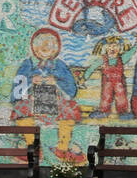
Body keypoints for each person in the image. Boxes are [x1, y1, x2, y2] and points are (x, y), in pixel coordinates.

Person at [10, 27, 84, 163]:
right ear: (34, 48)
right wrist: (30, 81)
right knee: (22, 112)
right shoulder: (28, 64)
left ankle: (62, 148)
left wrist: (56, 82)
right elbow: (17, 86)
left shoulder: (60, 65)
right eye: (41, 44)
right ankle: (33, 147)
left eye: (49, 45)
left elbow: (71, 87)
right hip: (33, 100)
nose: (45, 47)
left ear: (55, 49)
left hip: (56, 100)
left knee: (69, 113)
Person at [84, 34, 133, 118]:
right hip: (107, 83)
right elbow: (92, 67)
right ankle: (104, 111)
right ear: (106, 48)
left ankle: (123, 113)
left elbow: (131, 52)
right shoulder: (102, 59)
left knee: (121, 97)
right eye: (110, 46)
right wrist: (84, 77)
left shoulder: (122, 59)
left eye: (115, 46)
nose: (112, 48)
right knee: (106, 97)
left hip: (119, 83)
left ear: (120, 49)